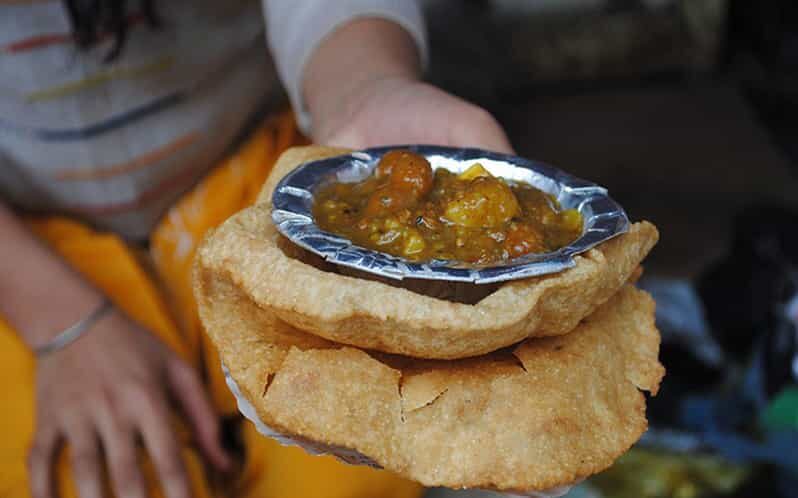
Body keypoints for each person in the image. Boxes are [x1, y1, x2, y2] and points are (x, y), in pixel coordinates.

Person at [0, 1, 513, 498]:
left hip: (266, 183)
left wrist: (363, 91)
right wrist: (65, 326)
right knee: (75, 477)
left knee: (356, 460)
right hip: (25, 251)